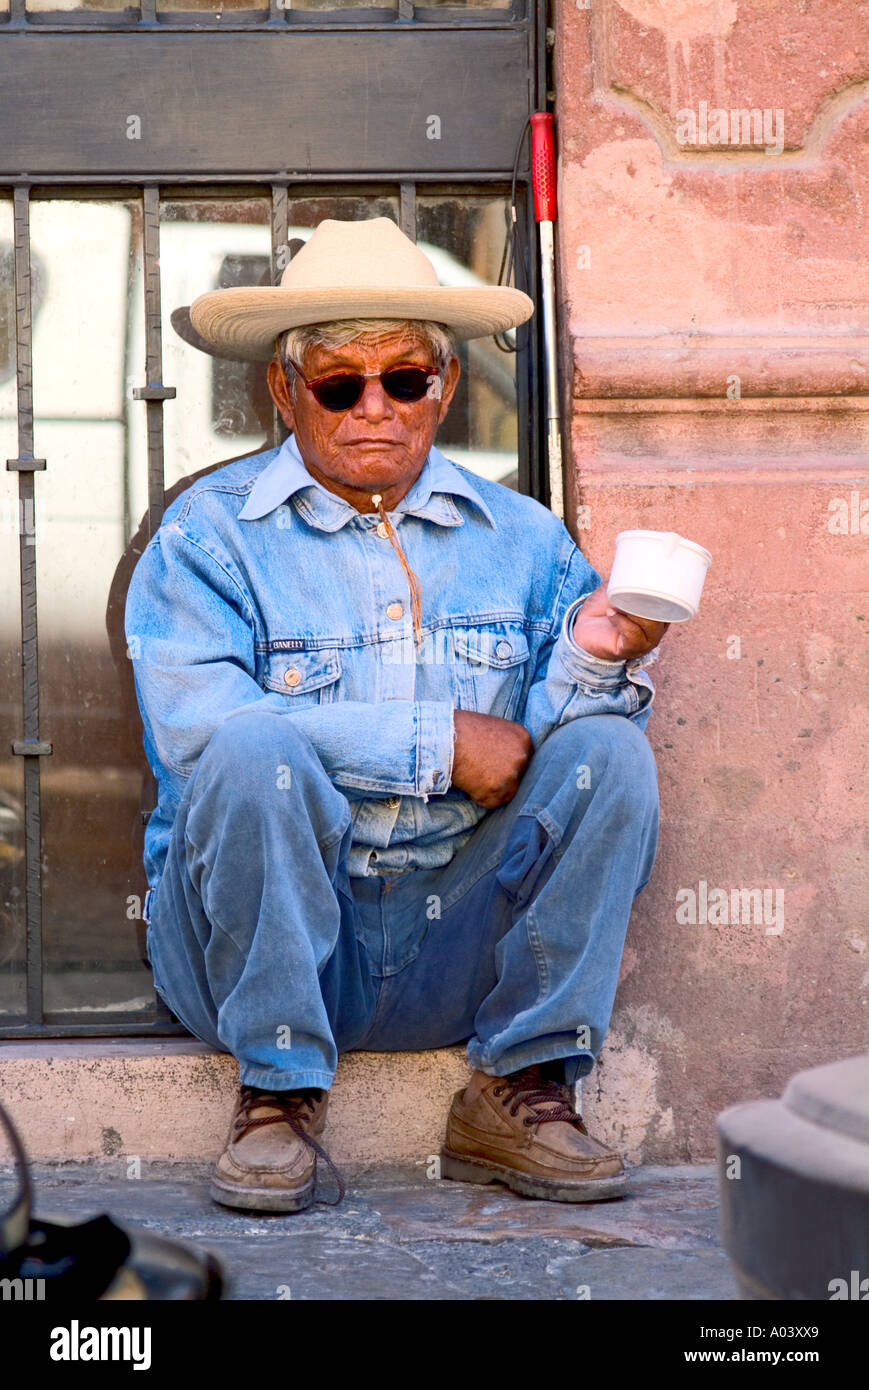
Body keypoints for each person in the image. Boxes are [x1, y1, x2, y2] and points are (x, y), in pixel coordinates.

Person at [124, 216, 666, 1214]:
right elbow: (202, 736)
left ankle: (518, 1086)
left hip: (454, 944)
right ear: (284, 392)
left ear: (444, 387)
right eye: (338, 384)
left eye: (404, 380)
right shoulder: (207, 537)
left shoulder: (522, 539)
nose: (374, 408)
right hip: (271, 950)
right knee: (250, 747)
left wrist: (598, 656)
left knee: (610, 752)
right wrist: (433, 740)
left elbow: (540, 763)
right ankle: (276, 1090)